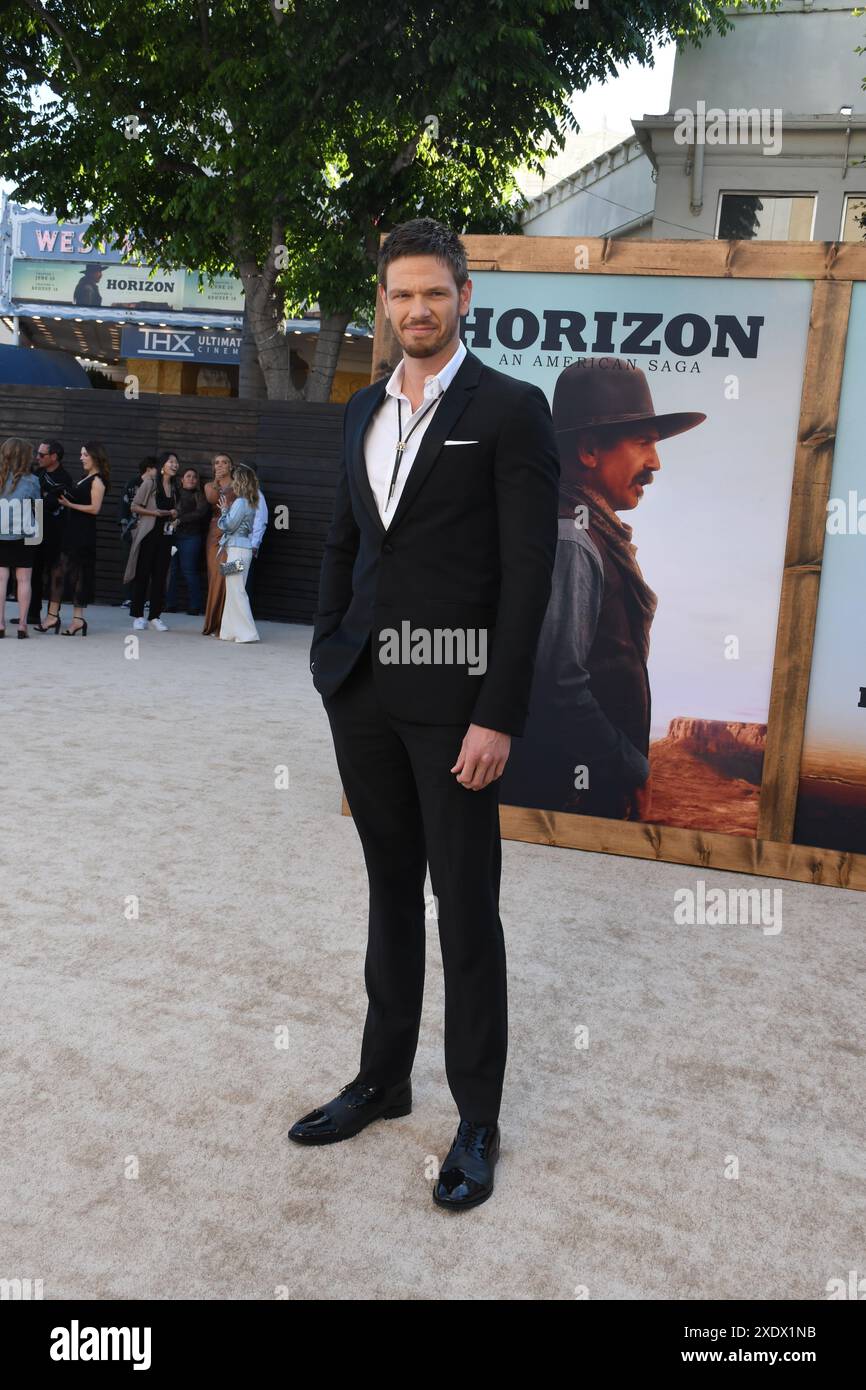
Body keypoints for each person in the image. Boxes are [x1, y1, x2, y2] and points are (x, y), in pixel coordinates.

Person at [289, 218, 560, 1211]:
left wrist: (497, 713)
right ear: (384, 303)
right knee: (387, 891)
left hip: (455, 703)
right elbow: (343, 543)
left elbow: (529, 575)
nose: (415, 310)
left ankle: (476, 1117)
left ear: (463, 299)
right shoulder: (361, 404)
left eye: (432, 295)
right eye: (400, 295)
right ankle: (381, 1078)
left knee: (467, 909)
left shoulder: (510, 411)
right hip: (361, 687)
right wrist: (329, 655)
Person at [500, 360, 706, 821]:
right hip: (561, 792)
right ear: (590, 450)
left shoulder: (585, 529)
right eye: (643, 443)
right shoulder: (572, 538)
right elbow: (556, 684)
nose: (655, 463)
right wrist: (629, 767)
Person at [37, 441, 109, 636]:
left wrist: (70, 505)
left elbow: (95, 509)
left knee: (79, 575)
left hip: (83, 534)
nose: (81, 458)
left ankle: (77, 620)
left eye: (85, 454)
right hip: (72, 531)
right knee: (58, 572)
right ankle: (52, 616)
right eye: (81, 454)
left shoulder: (97, 481)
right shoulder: (84, 478)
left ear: (94, 456)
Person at [123, 451, 180, 631]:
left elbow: (176, 508)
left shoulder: (175, 486)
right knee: (142, 574)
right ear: (162, 465)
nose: (174, 465)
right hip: (149, 534)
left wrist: (176, 515)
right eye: (171, 462)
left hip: (166, 535)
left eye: (176, 462)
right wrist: (154, 513)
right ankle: (138, 616)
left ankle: (155, 616)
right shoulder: (150, 482)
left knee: (161, 576)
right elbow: (134, 506)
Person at [27, 439, 72, 628]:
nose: (37, 458)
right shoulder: (38, 473)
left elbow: (49, 504)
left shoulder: (64, 478)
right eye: (37, 454)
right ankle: (31, 614)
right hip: (34, 530)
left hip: (55, 532)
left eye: (42, 455)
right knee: (32, 573)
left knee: (54, 573)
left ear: (54, 457)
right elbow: (32, 500)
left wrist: (41, 500)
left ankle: (52, 615)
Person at [0, 436, 41, 639]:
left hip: (1, 534)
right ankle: (23, 624)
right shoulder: (32, 481)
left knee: (0, 579)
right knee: (24, 579)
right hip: (25, 534)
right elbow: (38, 507)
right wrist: (38, 535)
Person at [216, 463, 260, 643]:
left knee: (237, 590)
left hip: (237, 551)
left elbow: (228, 525)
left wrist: (224, 511)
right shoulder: (248, 501)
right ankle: (229, 631)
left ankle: (247, 633)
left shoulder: (240, 502)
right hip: (240, 550)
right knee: (233, 589)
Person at [164, 466, 210, 614]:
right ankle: (170, 604)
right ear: (182, 479)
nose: (191, 479)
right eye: (188, 476)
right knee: (171, 571)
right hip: (172, 537)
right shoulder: (174, 493)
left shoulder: (200, 495)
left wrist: (180, 520)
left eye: (194, 477)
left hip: (191, 537)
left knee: (189, 571)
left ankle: (195, 606)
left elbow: (200, 513)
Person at [202, 453, 235, 636]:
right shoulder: (209, 486)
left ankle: (226, 623)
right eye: (217, 463)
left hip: (235, 535)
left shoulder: (239, 485)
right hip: (215, 534)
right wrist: (217, 481)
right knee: (216, 575)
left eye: (224, 462)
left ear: (231, 466)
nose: (221, 465)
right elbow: (212, 499)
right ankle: (213, 623)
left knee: (230, 574)